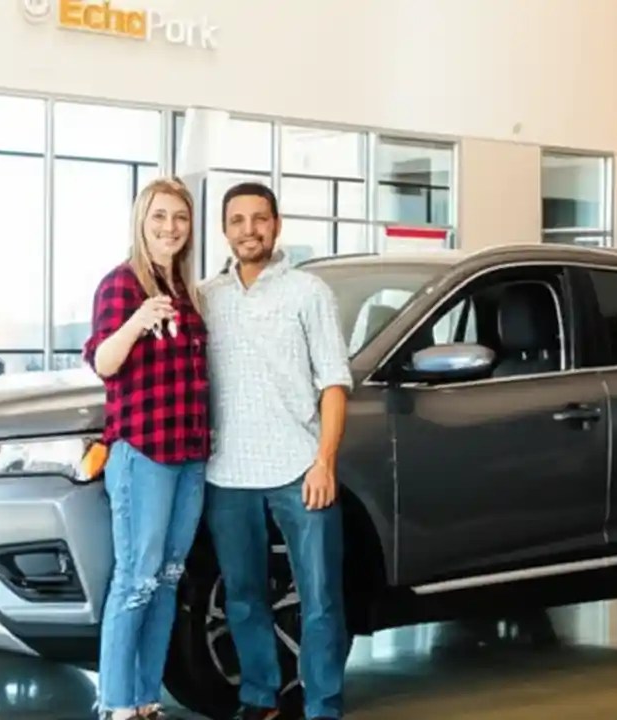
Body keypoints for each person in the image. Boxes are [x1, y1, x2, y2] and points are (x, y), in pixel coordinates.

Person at [200, 182, 353, 720]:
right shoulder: (206, 296)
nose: (249, 230)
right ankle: (260, 697)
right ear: (225, 230)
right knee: (242, 595)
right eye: (237, 220)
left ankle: (323, 705)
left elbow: (334, 382)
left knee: (321, 599)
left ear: (276, 224)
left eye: (259, 219)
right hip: (227, 473)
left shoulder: (309, 292)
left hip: (299, 468)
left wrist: (325, 461)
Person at [82, 177, 210, 720]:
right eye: (160, 217)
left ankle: (146, 699)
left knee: (168, 578)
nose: (170, 228)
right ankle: (115, 703)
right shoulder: (120, 285)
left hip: (190, 454)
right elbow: (104, 362)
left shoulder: (188, 290)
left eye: (180, 218)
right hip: (143, 452)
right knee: (135, 578)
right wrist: (136, 321)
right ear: (142, 221)